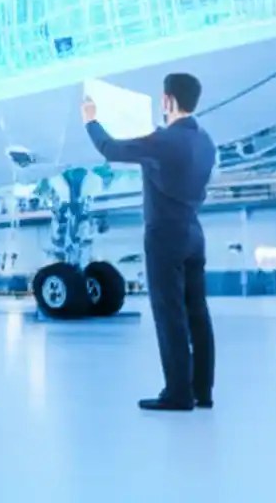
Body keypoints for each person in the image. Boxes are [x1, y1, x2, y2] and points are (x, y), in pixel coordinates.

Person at [81, 73, 217, 412]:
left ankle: (177, 394)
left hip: (164, 236)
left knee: (169, 314)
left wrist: (92, 121)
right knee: (198, 314)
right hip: (194, 233)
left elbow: (110, 149)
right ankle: (202, 390)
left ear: (168, 100)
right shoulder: (206, 141)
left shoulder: (164, 142)